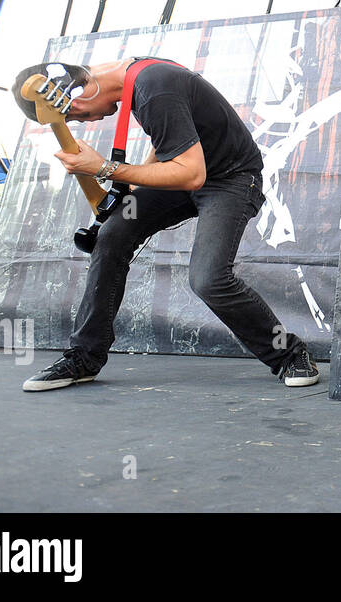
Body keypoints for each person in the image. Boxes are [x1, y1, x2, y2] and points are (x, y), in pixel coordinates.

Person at [20, 58, 319, 392]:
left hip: (230, 180)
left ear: (80, 97)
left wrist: (104, 168)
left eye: (76, 116)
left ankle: (289, 353)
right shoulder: (126, 75)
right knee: (112, 235)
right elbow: (170, 138)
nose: (86, 122)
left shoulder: (153, 88)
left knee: (208, 279)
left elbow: (192, 174)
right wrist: (132, 186)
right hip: (182, 178)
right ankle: (84, 357)